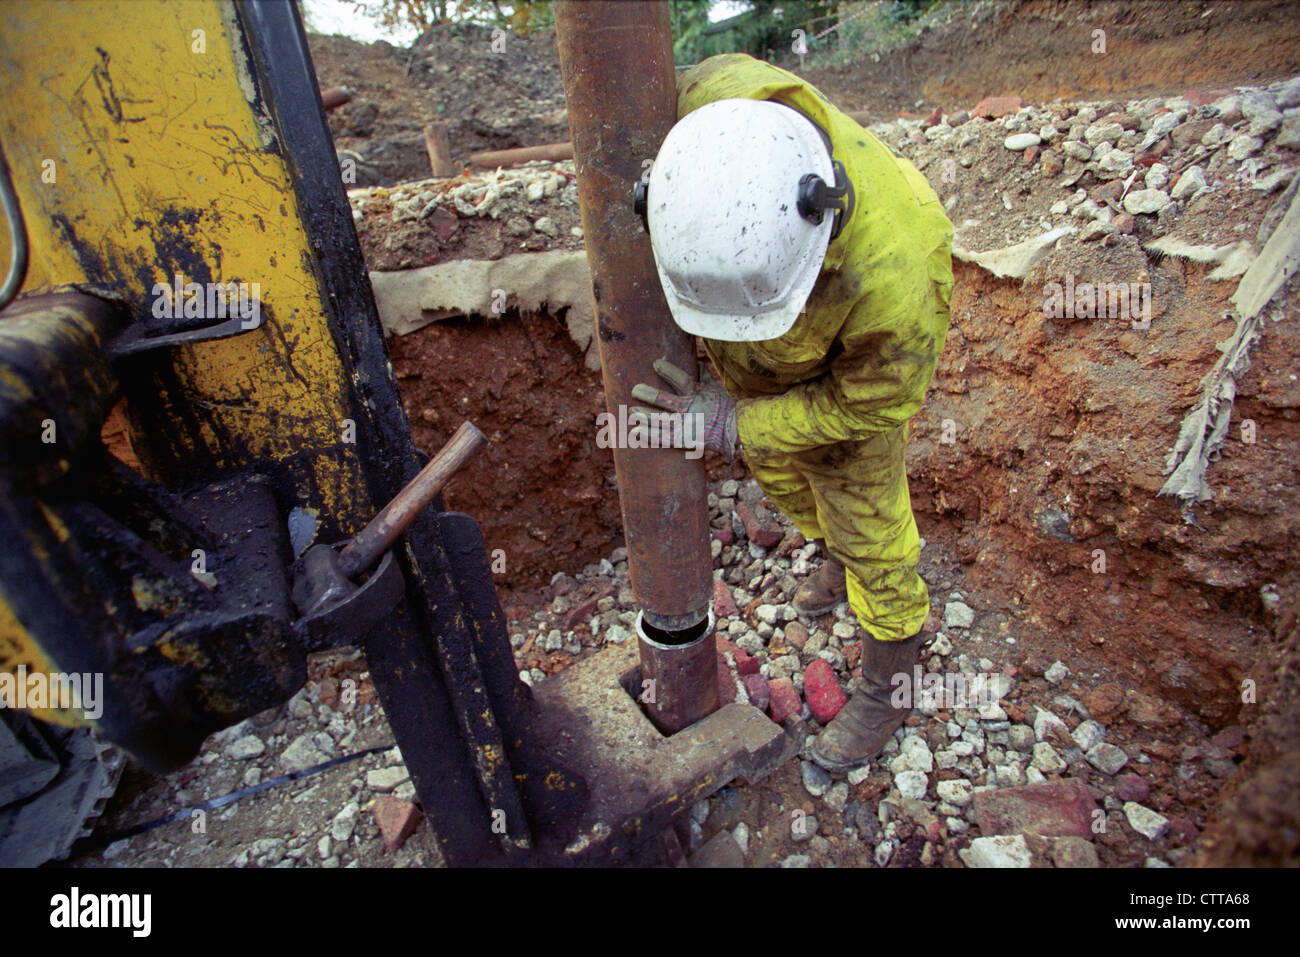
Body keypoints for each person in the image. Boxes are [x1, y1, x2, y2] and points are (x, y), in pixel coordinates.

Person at [630, 53, 953, 771]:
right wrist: (749, 424)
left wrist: (732, 423)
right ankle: (834, 556)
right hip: (756, 331)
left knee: (863, 509)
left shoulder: (890, 288)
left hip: (847, 366)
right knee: (779, 465)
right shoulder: (708, 104)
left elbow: (870, 404)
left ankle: (890, 677)